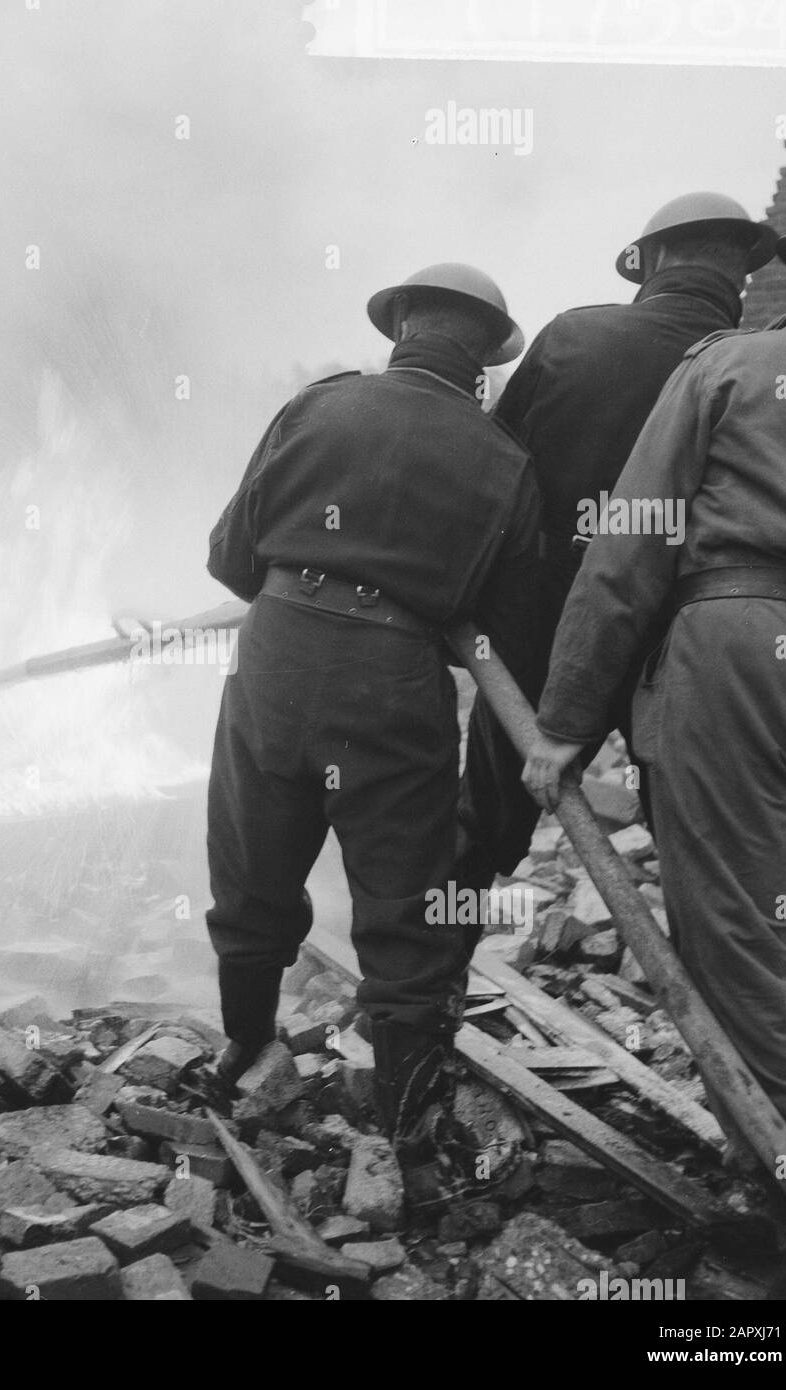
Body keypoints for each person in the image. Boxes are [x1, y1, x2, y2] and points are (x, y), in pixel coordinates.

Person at [523, 214, 786, 1181]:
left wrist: (565, 721)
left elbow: (631, 546)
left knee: (739, 943)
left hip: (743, 652)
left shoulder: (728, 365)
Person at [204, 264, 538, 1148]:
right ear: (481, 364)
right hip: (392, 670)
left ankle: (242, 1046)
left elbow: (228, 558)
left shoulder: (317, 406)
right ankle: (405, 1114)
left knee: (251, 861)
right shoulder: (502, 460)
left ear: (400, 330)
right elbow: (498, 616)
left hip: (274, 648)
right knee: (405, 896)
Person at [457, 194, 777, 892]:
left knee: (479, 830)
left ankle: (416, 993)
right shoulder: (749, 368)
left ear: (650, 260)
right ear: (741, 279)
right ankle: (723, 995)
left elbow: (496, 473)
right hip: (682, 641)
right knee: (702, 855)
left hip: (541, 627)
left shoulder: (574, 335)